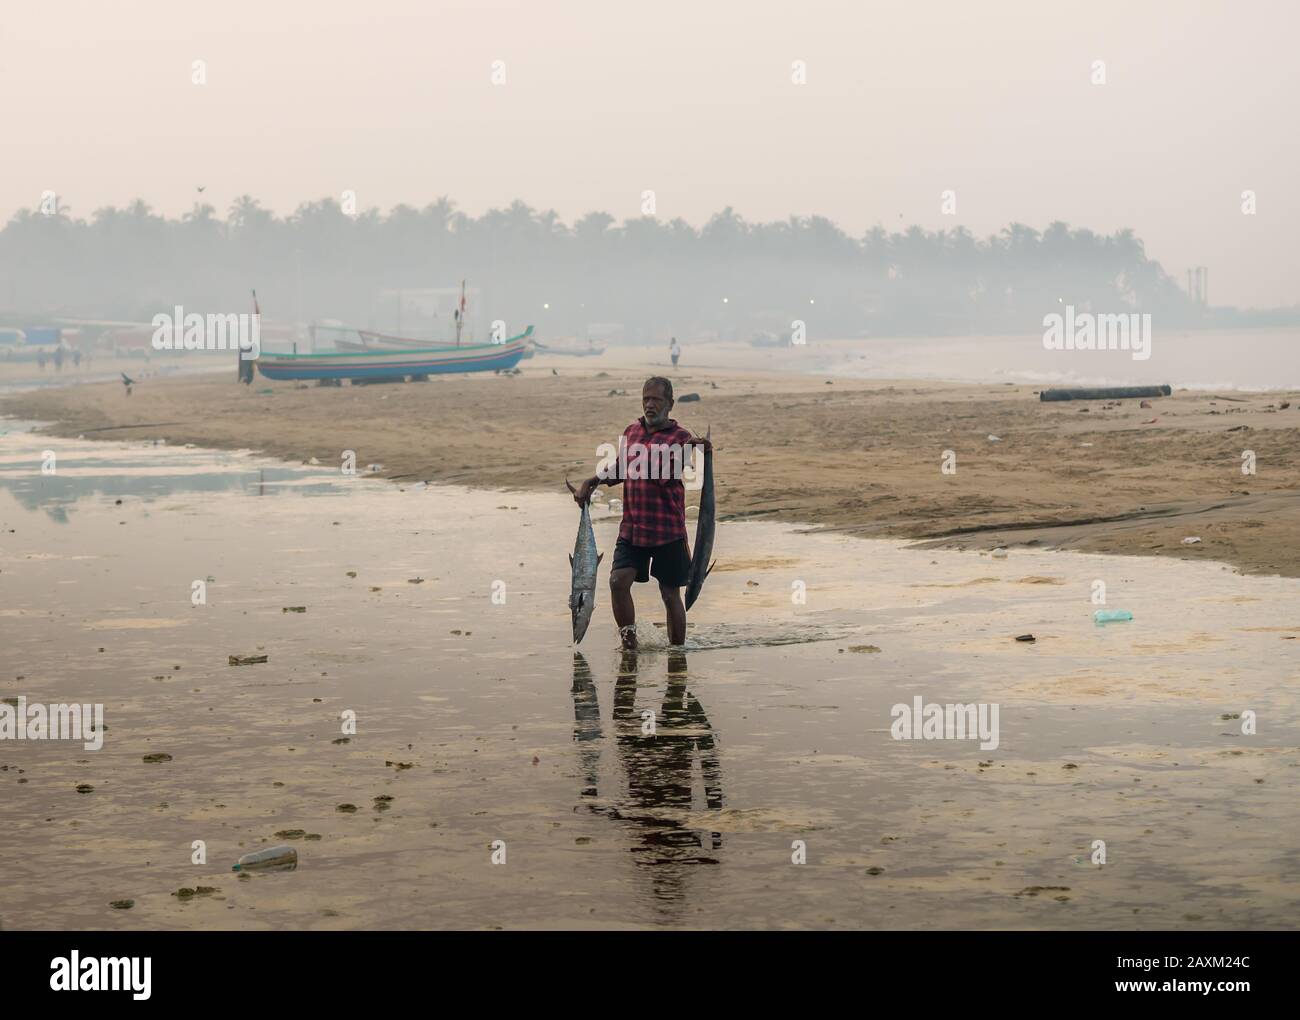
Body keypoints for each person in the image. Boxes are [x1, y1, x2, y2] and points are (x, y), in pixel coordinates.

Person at [573, 377, 710, 649]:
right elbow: (623, 467)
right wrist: (595, 479)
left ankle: (677, 653)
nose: (650, 404)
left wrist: (695, 449)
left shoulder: (680, 438)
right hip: (632, 528)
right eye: (646, 398)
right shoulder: (631, 431)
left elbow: (660, 472)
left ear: (669, 404)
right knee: (617, 582)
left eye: (656, 400)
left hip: (667, 529)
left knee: (670, 594)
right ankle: (630, 647)